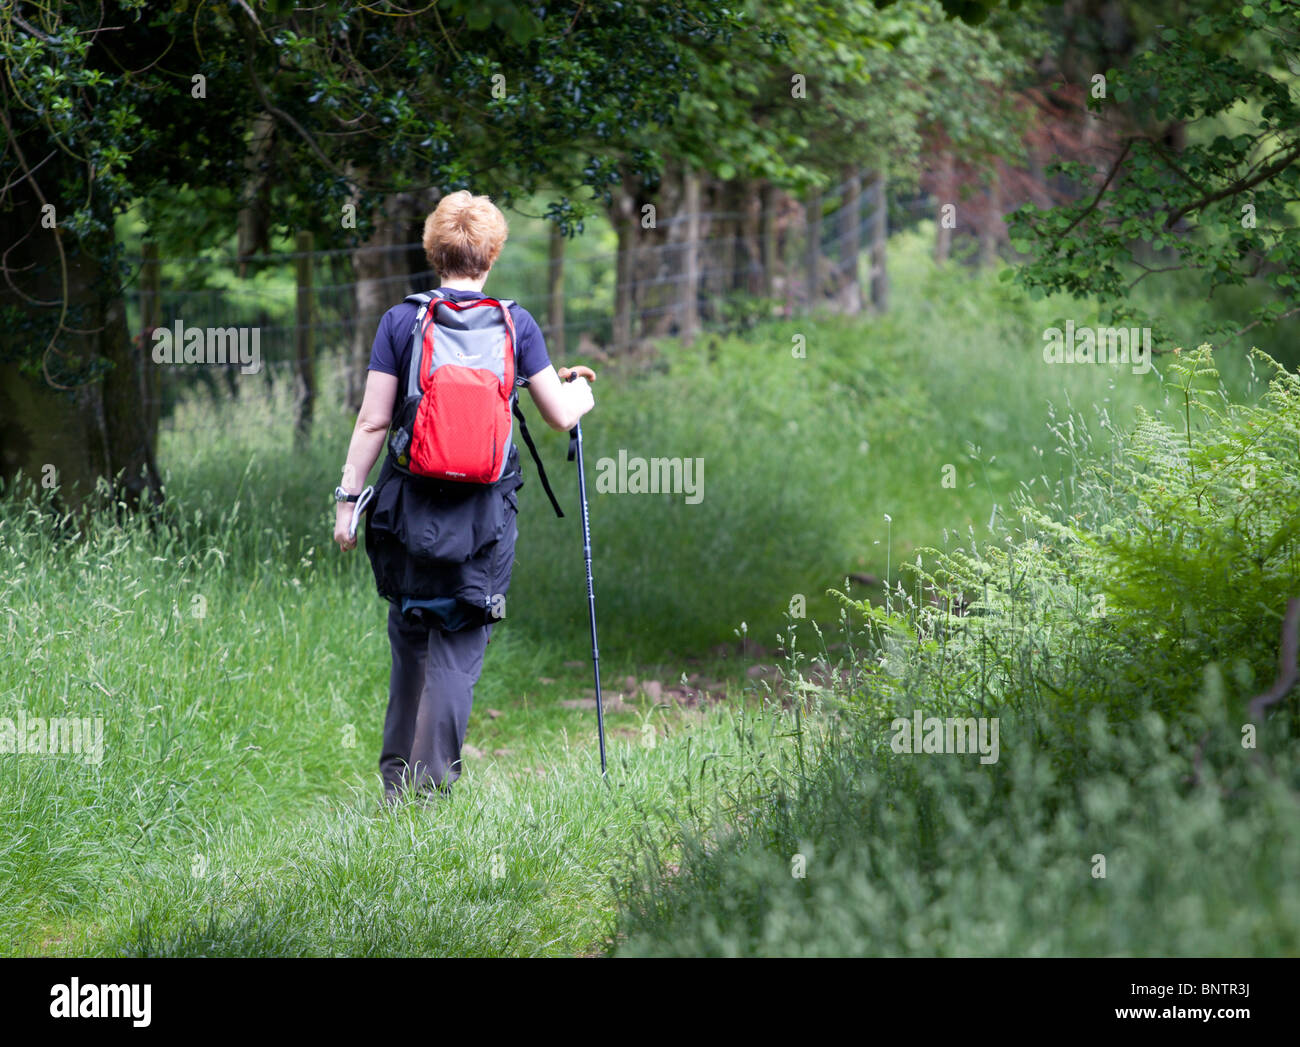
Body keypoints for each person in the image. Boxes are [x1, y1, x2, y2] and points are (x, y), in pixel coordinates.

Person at [332, 190, 595, 804]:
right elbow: (557, 415)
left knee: (411, 630)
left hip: (406, 508)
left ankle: (397, 785)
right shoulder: (515, 323)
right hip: (483, 516)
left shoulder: (403, 321)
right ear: (492, 253)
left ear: (434, 249)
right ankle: (433, 790)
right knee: (462, 633)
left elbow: (373, 423)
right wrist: (580, 391)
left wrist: (348, 502)